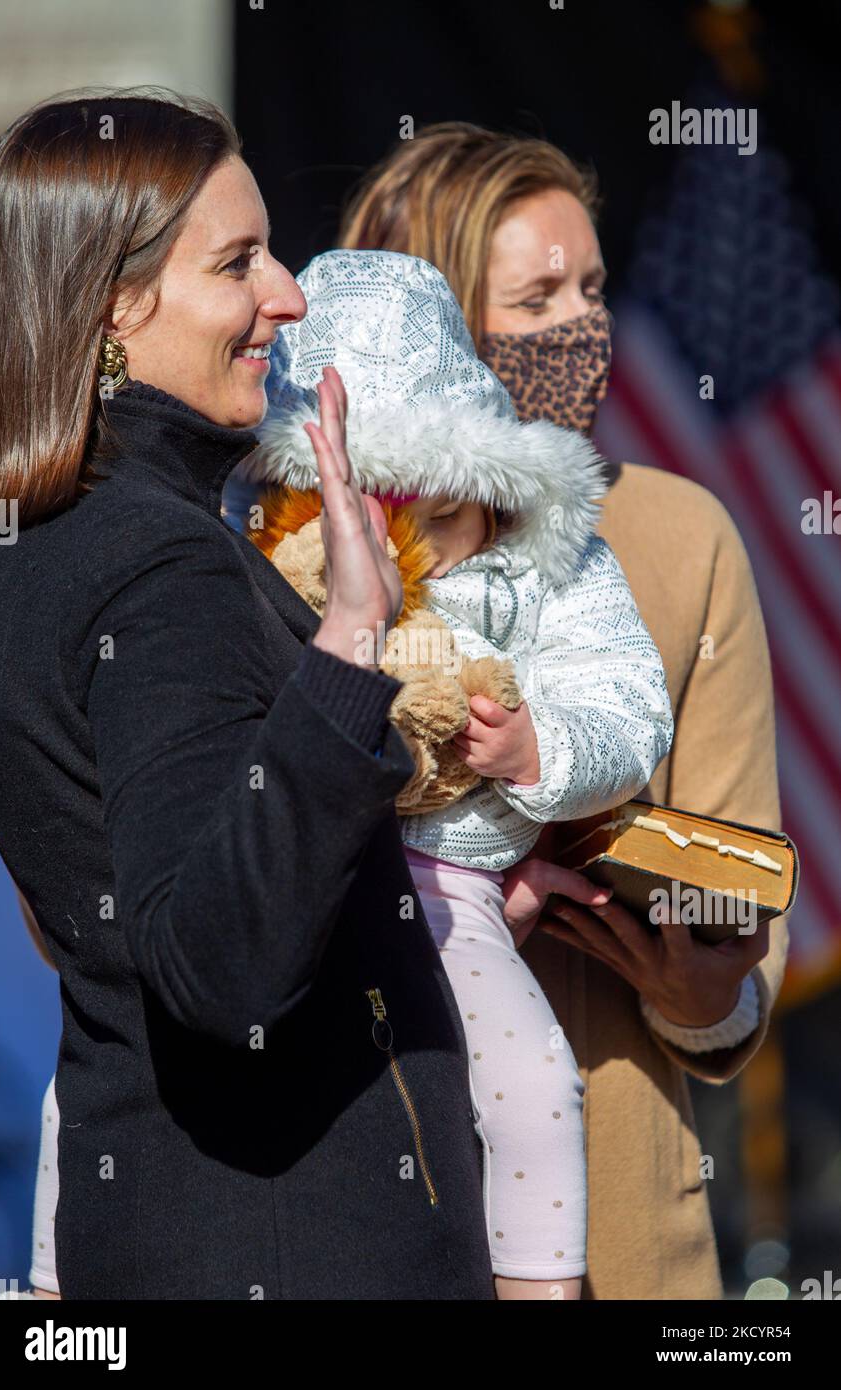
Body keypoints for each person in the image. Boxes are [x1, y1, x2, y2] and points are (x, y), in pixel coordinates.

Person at [0, 89, 513, 1301]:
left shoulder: (28, 545)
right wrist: (346, 648)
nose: (288, 293)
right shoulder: (155, 564)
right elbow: (220, 961)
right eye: (238, 264)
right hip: (286, 1239)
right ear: (114, 306)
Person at [337, 122, 790, 1300]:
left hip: (621, 1219)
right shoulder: (310, 529)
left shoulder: (678, 533)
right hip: (363, 1186)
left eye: (590, 289)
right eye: (533, 299)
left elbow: (741, 901)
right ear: (426, 327)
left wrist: (705, 993)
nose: (578, 328)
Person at [241, 247, 674, 1298]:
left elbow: (627, 699)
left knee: (530, 1084)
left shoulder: (545, 570)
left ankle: (538, 1286)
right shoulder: (250, 571)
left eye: (435, 517)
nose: (403, 563)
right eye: (365, 519)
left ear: (489, 493)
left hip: (448, 890)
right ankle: (56, 1300)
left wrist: (536, 753)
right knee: (119, 1083)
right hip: (275, 876)